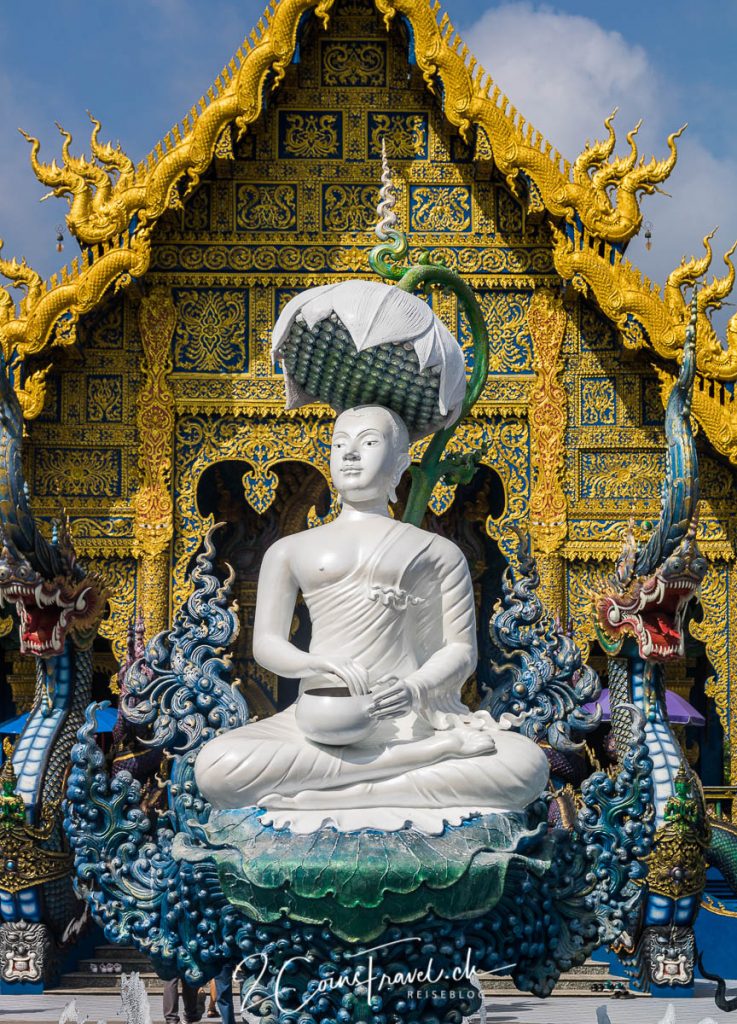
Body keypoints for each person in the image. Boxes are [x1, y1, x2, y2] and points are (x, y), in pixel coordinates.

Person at [195, 405, 548, 833]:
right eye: (340, 445)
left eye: (368, 444)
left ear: (400, 464)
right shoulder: (290, 550)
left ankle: (339, 784)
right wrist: (315, 665)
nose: (350, 455)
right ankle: (409, 768)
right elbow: (267, 644)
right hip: (319, 723)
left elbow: (460, 650)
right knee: (217, 766)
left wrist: (413, 688)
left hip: (407, 722)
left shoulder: (439, 553)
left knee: (525, 766)